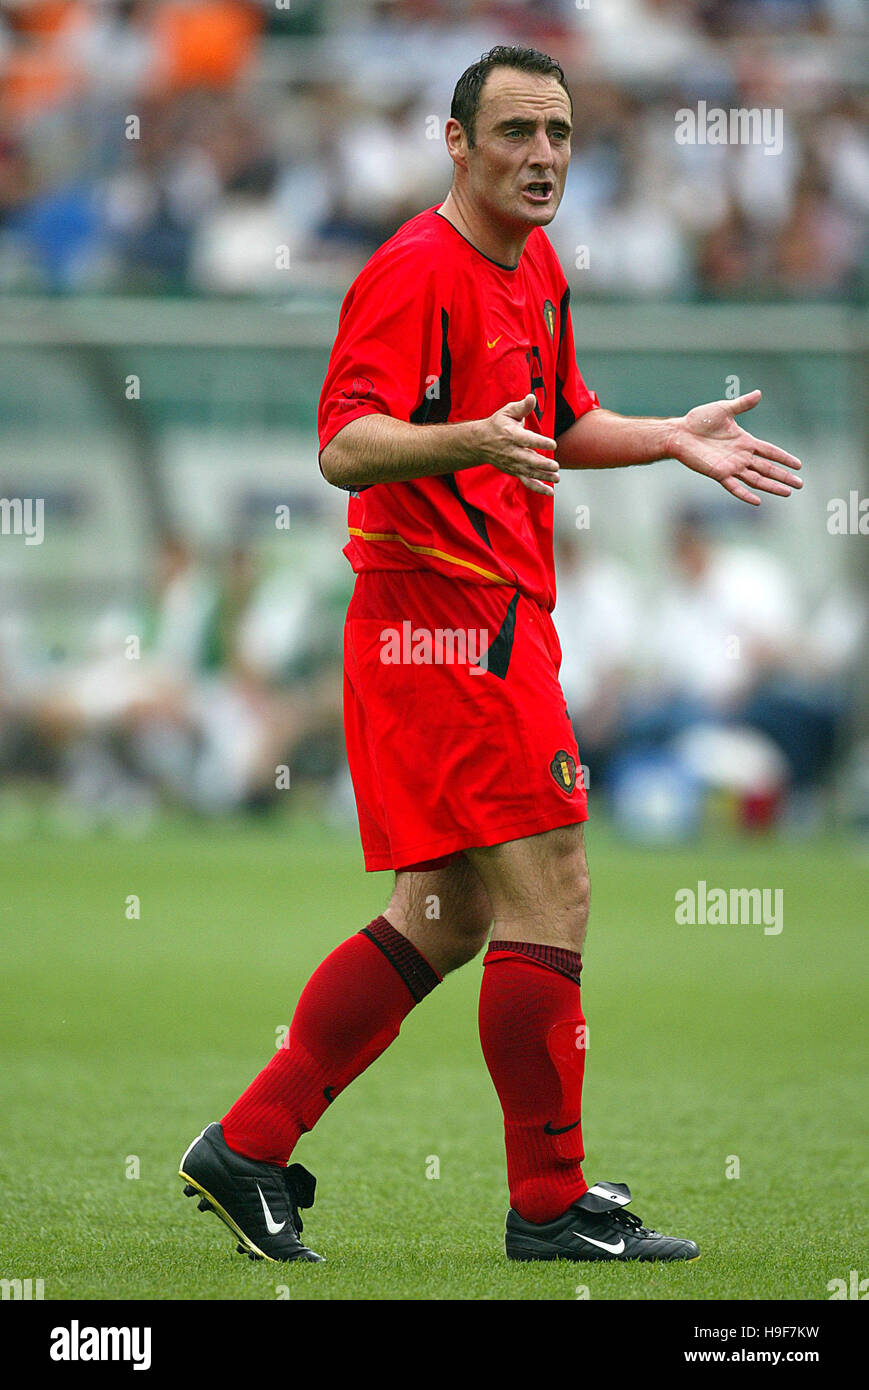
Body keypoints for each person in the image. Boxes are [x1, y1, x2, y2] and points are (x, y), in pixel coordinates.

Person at [179, 45, 802, 1265]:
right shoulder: (416, 268)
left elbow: (560, 423)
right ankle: (549, 1200)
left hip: (484, 625)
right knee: (554, 884)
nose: (542, 157)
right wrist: (460, 436)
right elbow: (343, 445)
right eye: (514, 132)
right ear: (454, 142)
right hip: (446, 625)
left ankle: (248, 1147)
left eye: (559, 134)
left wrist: (668, 435)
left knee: (447, 910)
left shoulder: (538, 267)